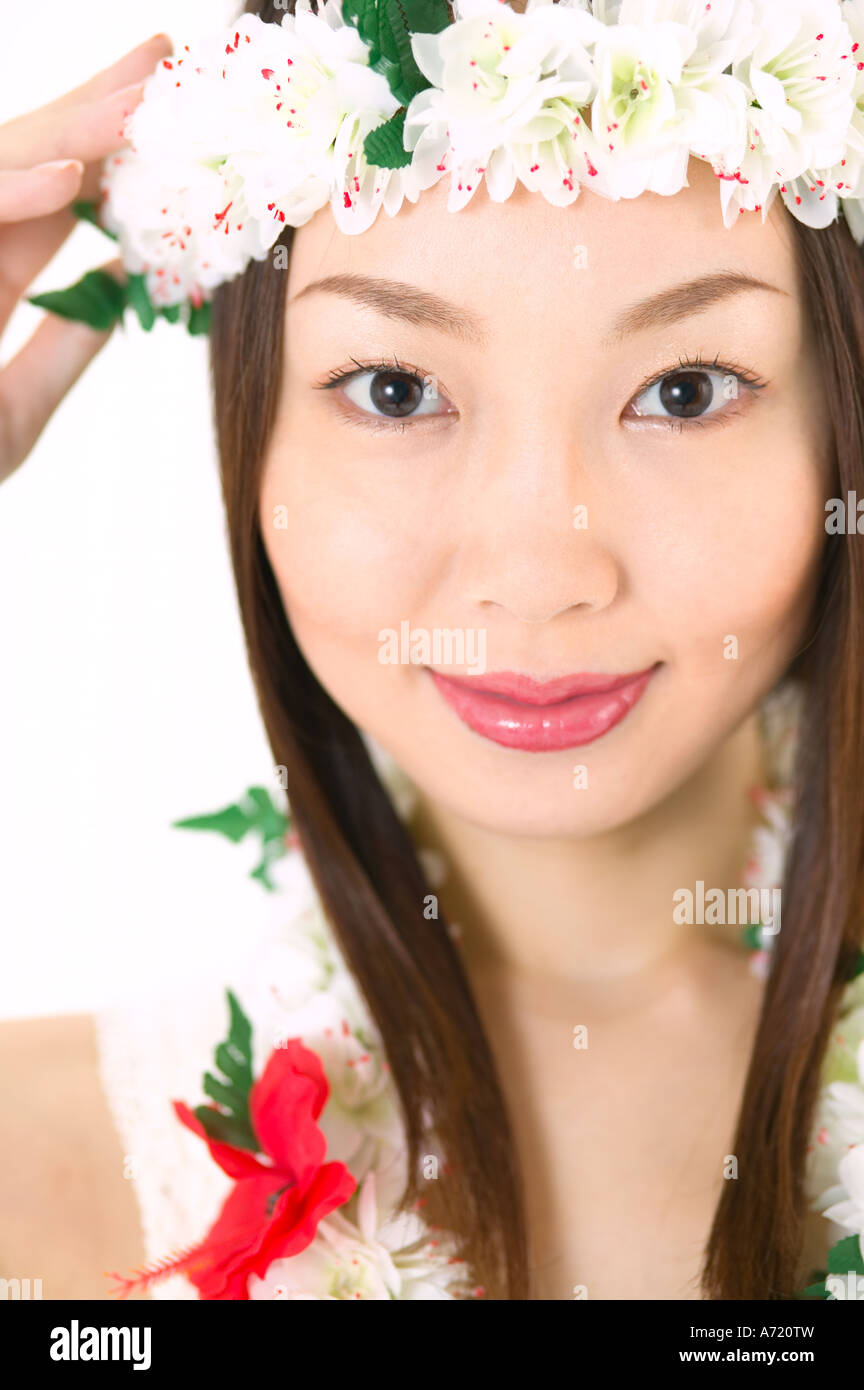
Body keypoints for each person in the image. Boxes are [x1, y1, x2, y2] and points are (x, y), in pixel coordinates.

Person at [2, 0, 863, 1302]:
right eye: (398, 389)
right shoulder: (42, 1173)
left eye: (684, 389)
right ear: (254, 432)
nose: (537, 570)